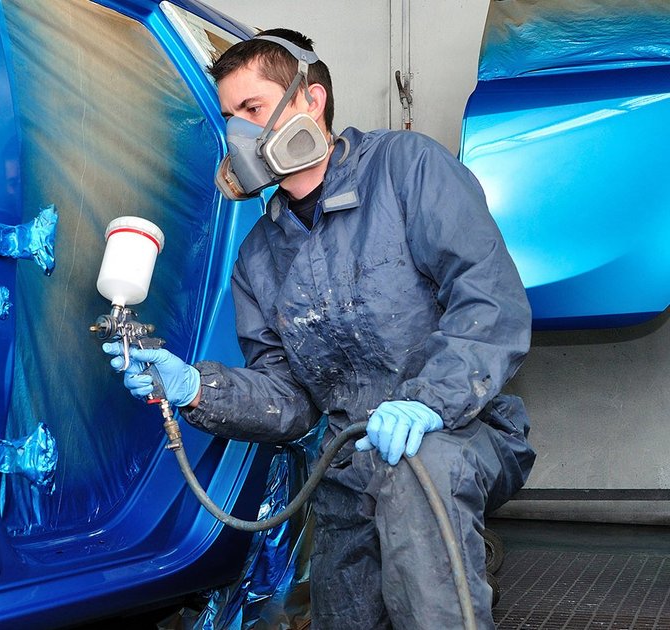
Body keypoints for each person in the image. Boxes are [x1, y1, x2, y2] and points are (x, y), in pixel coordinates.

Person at [104, 29, 535, 629]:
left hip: (459, 430)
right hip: (347, 461)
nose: (241, 137)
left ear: (311, 101)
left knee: (418, 479)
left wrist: (426, 403)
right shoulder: (258, 256)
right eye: (230, 119)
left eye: (253, 111)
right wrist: (194, 389)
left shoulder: (406, 169)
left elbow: (490, 302)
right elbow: (291, 402)